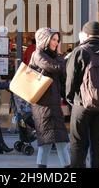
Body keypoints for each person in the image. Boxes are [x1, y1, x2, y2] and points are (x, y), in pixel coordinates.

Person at [66, 21, 99, 168]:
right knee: (98, 146)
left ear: (86, 34)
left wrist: (71, 98)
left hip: (81, 105)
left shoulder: (79, 51)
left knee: (77, 143)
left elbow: (70, 80)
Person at [30, 27, 70, 168]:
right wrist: (62, 57)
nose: (56, 43)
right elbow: (55, 67)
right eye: (53, 39)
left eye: (57, 40)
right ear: (44, 39)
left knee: (49, 141)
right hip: (43, 105)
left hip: (51, 103)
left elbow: (61, 74)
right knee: (56, 140)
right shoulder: (38, 54)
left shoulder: (51, 56)